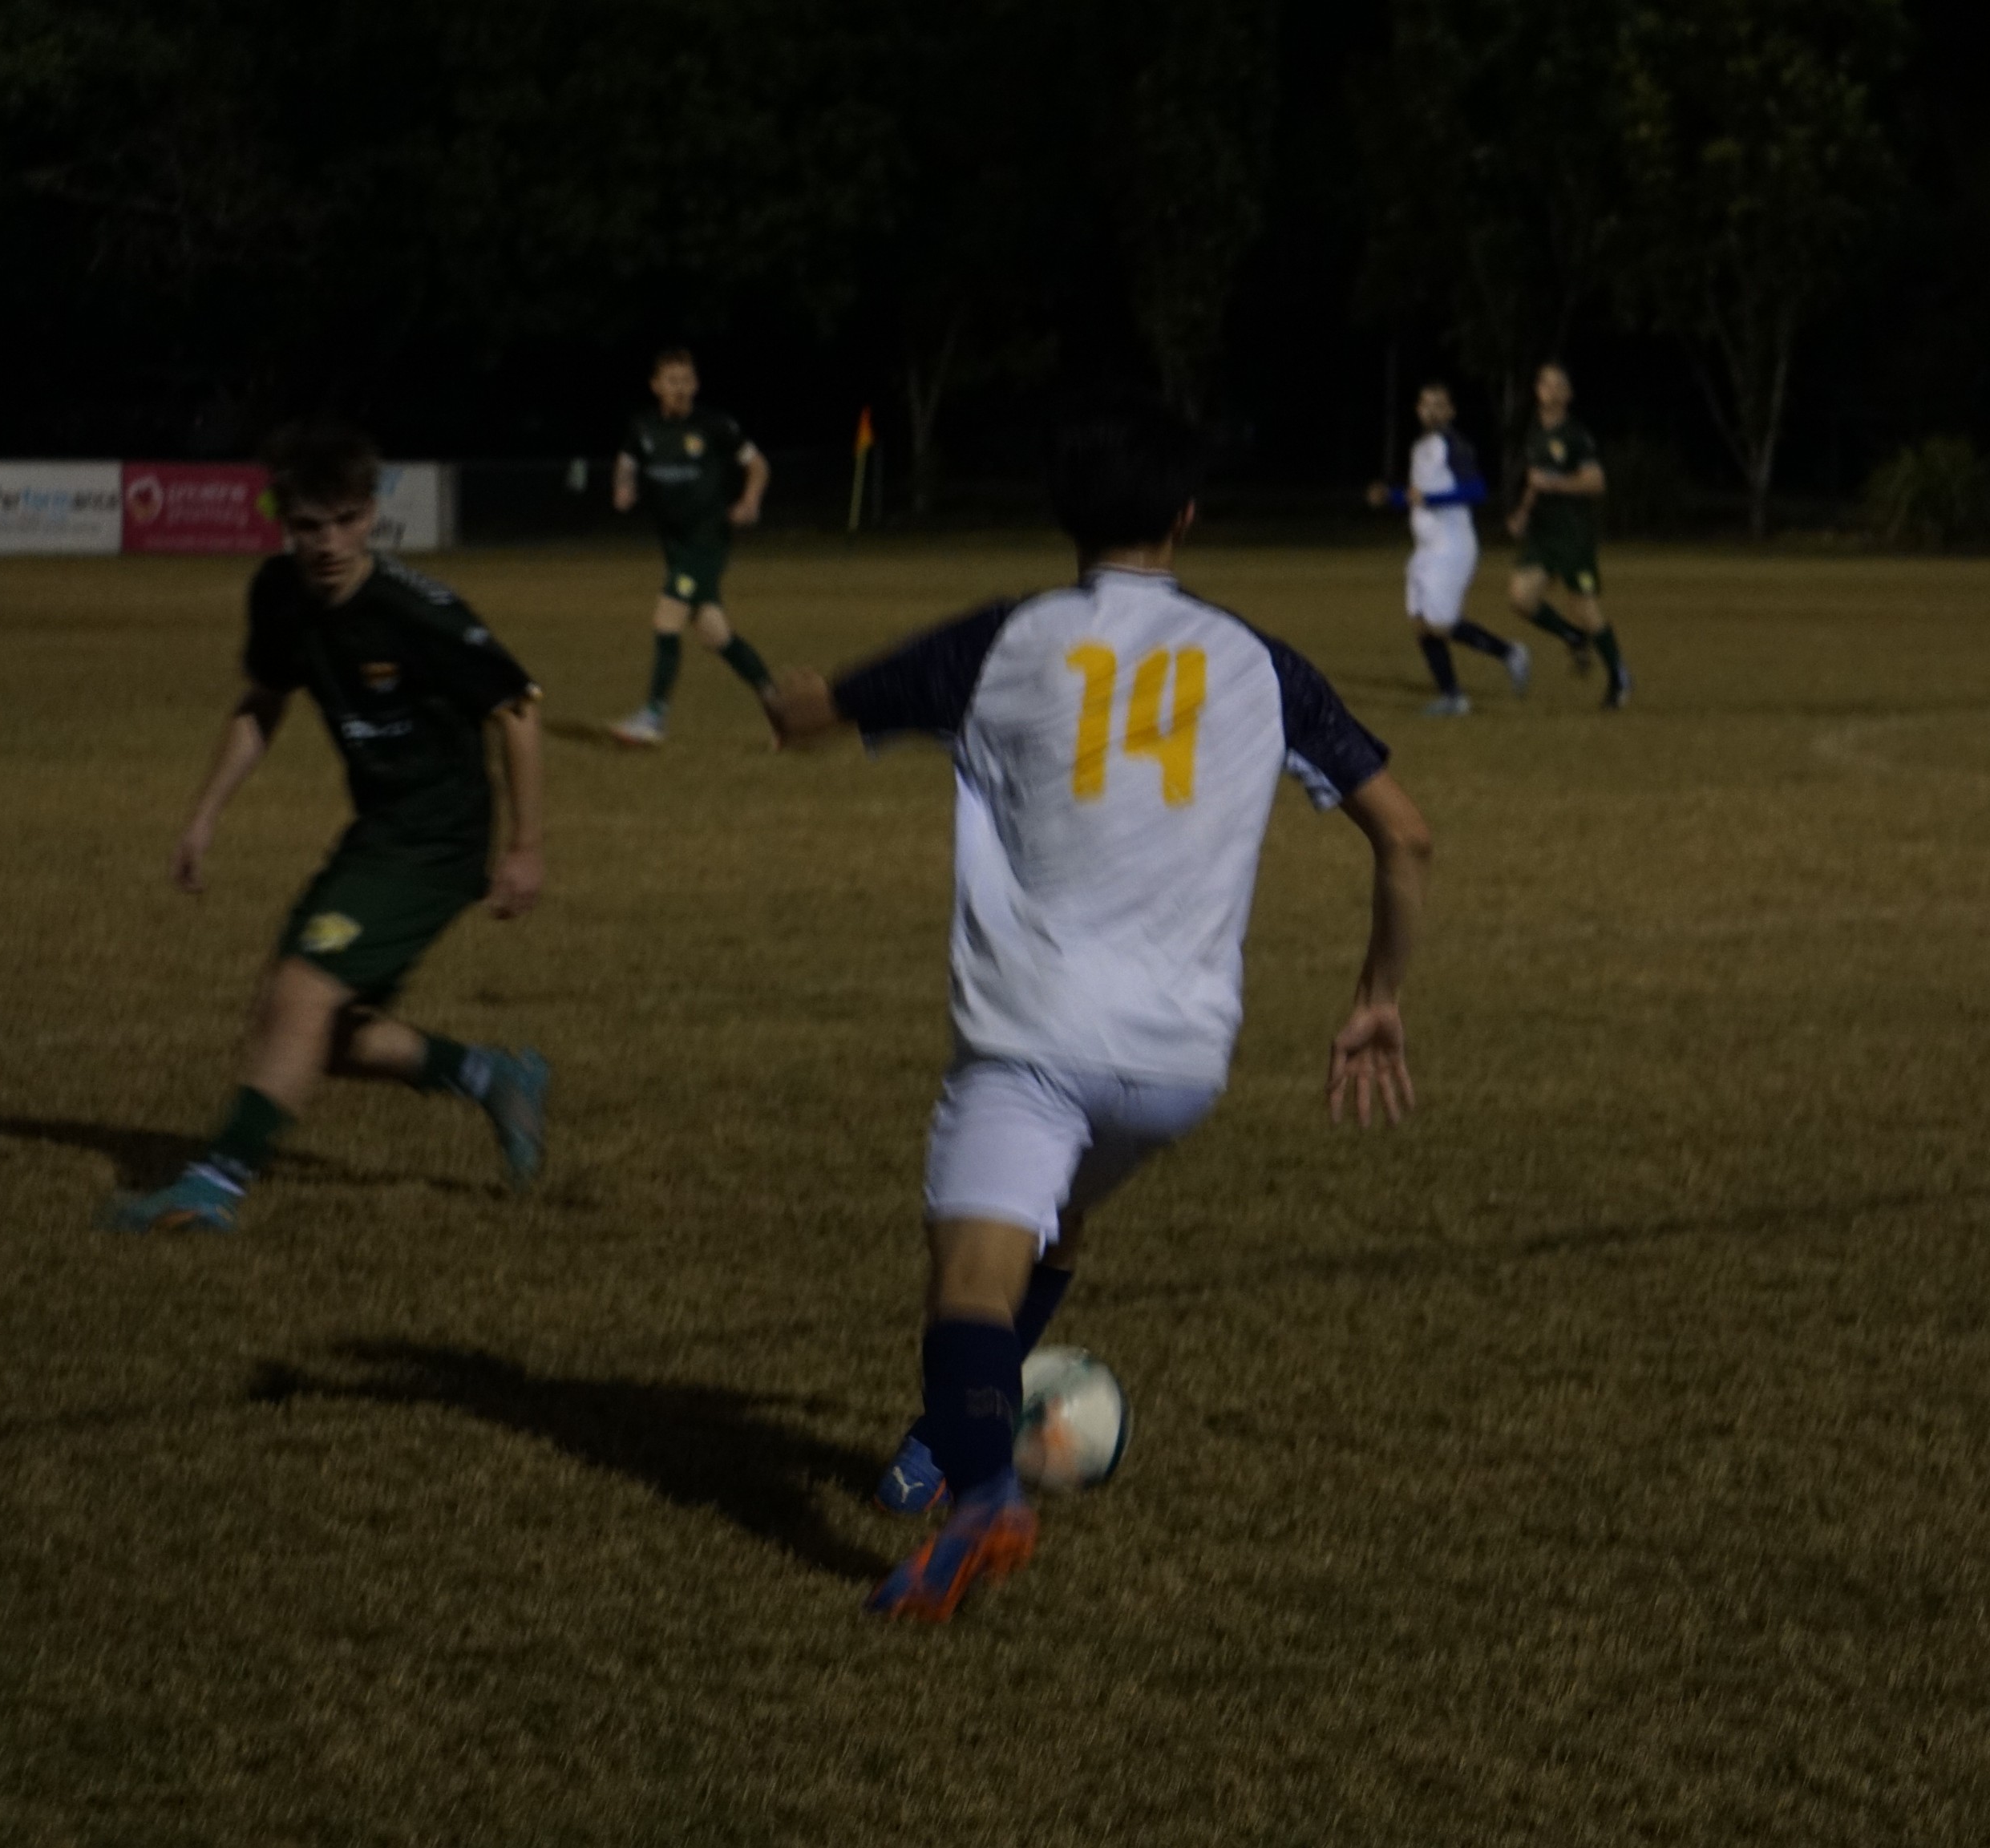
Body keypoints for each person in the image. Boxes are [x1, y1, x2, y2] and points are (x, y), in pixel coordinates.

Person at [762, 400, 1434, 1624]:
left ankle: (981, 1498)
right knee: (1057, 1221)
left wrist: (797, 694)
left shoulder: (1002, 640)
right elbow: (1407, 835)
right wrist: (1377, 996)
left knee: (972, 1287)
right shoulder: (1264, 665)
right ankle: (943, 1444)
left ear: (1060, 511)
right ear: (1188, 514)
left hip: (1035, 1034)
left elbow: (805, 719)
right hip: (1180, 1064)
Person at [103, 421, 552, 1234]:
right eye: (311, 525)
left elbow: (517, 711)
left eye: (347, 521)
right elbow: (263, 701)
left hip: (438, 842)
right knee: (320, 1033)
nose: (331, 544)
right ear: (285, 520)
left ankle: (213, 1185)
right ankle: (491, 1077)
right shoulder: (280, 594)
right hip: (378, 831)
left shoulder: (419, 611)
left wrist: (525, 846)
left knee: (299, 994)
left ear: (371, 513)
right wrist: (203, 817)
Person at [609, 349, 775, 746]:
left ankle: (654, 717)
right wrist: (623, 487)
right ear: (656, 386)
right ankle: (781, 709)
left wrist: (750, 501)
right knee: (716, 635)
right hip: (675, 545)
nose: (680, 388)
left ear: (696, 384)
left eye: (686, 380)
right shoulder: (643, 427)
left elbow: (758, 465)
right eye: (672, 381)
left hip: (707, 540)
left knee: (667, 618)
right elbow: (626, 463)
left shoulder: (715, 426)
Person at [1367, 380, 1530, 715]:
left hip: (1452, 545)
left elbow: (1478, 491)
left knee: (1440, 624)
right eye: (1425, 404)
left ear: (1450, 411)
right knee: (1421, 624)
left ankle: (1510, 653)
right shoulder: (1419, 448)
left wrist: (1431, 498)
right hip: (1425, 548)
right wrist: (1390, 497)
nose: (1431, 410)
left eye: (1438, 404)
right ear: (1418, 410)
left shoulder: (1453, 445)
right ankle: (1453, 696)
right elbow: (1418, 499)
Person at [1506, 362, 1632, 710]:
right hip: (1543, 535)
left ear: (1568, 395)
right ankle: (1573, 637)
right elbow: (1535, 480)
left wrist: (1556, 484)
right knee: (1521, 597)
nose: (1551, 390)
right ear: (1537, 391)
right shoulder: (1535, 433)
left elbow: (1596, 483)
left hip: (1574, 536)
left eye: (1559, 385)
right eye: (1545, 384)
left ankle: (1619, 677)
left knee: (1585, 608)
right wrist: (1522, 514)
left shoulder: (1576, 436)